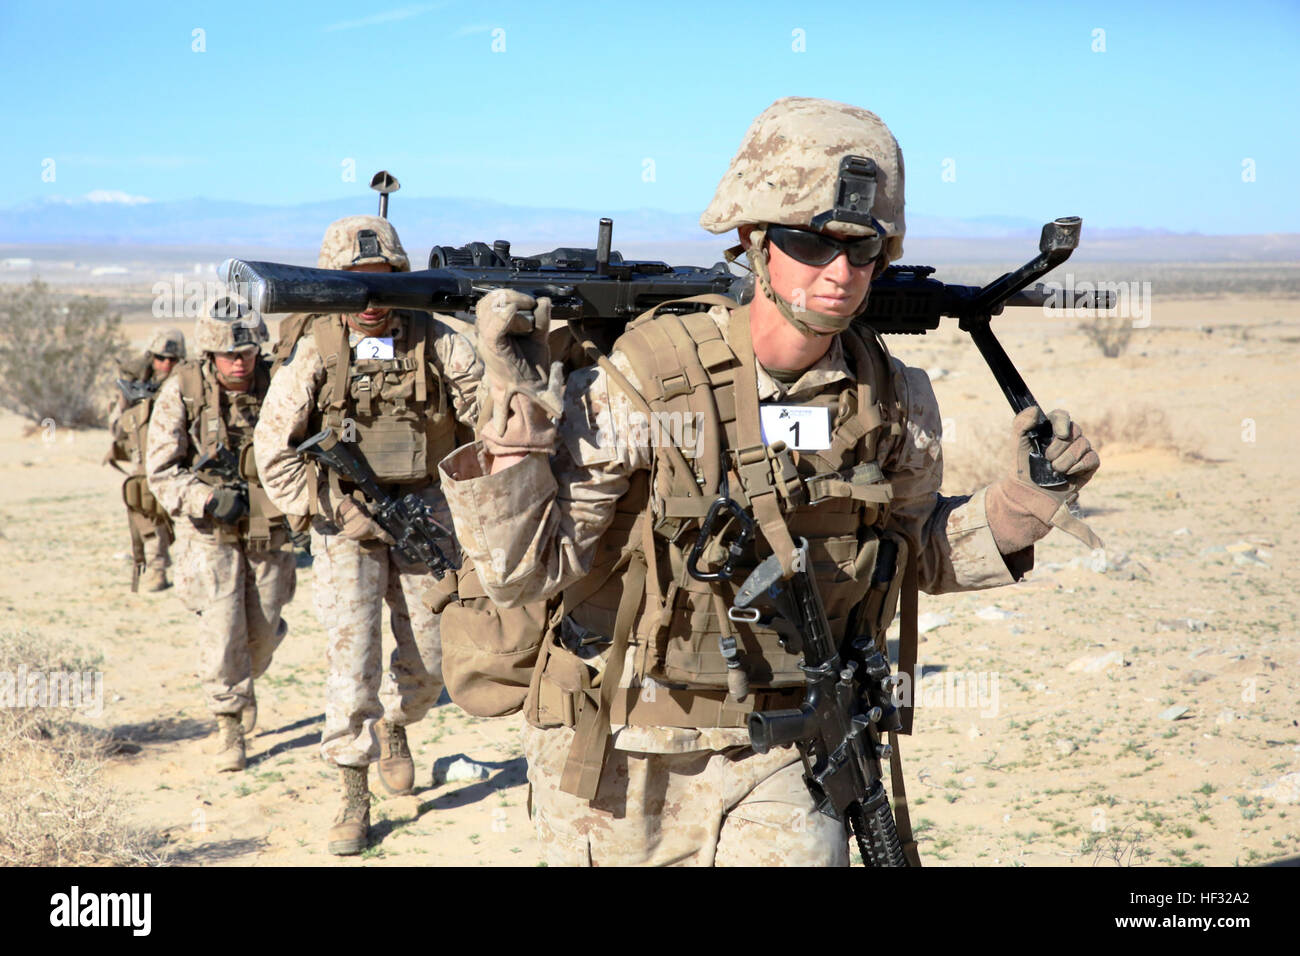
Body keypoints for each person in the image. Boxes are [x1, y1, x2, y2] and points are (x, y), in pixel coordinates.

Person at [438, 96, 1102, 866]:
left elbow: (916, 554)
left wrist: (1025, 505)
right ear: (755, 241)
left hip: (790, 742)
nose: (842, 274)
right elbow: (526, 573)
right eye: (814, 245)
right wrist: (514, 430)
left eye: (866, 252)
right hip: (621, 751)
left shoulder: (891, 394)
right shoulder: (645, 381)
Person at [254, 215, 482, 856]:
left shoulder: (437, 339)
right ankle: (352, 789)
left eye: (385, 285)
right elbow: (272, 451)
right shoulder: (317, 346)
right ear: (329, 288)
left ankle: (400, 727)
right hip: (345, 524)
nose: (373, 302)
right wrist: (330, 507)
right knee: (351, 666)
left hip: (425, 516)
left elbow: (488, 419)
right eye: (356, 287)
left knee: (429, 664)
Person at [146, 301, 297, 773]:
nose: (239, 363)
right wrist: (206, 500)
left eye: (248, 353)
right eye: (229, 355)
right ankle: (229, 724)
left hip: (267, 528)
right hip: (208, 533)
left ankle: (242, 678)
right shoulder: (182, 391)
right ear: (210, 355)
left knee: (263, 633)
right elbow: (161, 471)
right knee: (220, 630)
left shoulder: (279, 385)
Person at [106, 328, 186, 591]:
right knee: (145, 507)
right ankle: (156, 567)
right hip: (145, 459)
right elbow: (117, 428)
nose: (165, 365)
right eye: (160, 358)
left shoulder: (189, 385)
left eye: (172, 360)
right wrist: (131, 404)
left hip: (182, 459)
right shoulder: (134, 387)